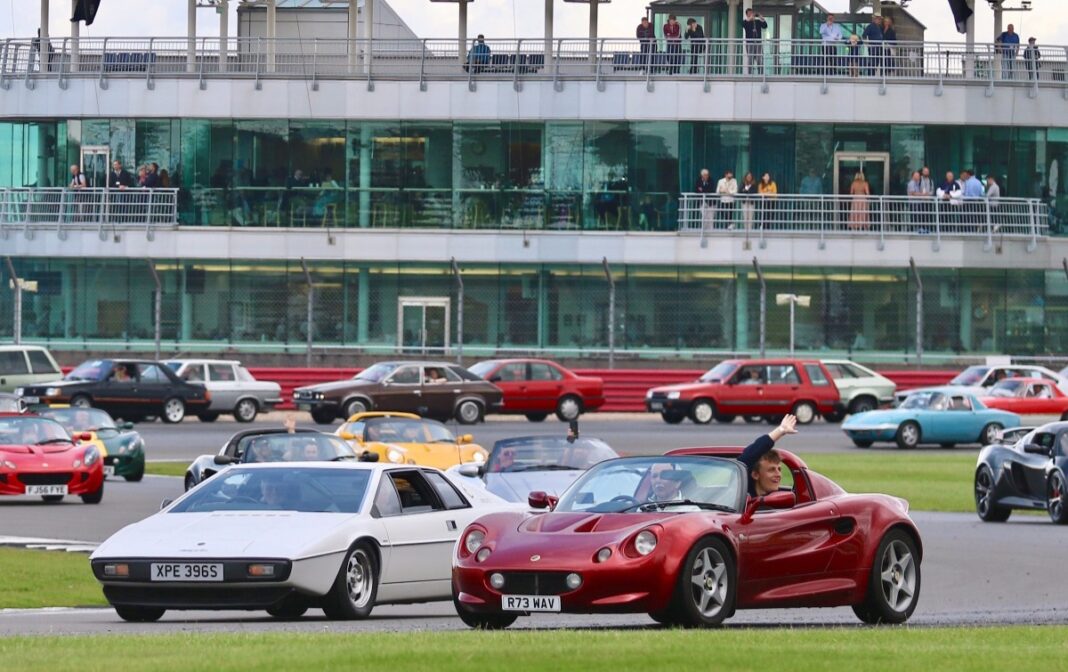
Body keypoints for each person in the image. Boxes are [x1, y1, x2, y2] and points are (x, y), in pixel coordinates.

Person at [738, 414, 797, 497]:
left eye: (779, 469)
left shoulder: (778, 503)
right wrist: (781, 430)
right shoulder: (742, 499)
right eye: (771, 470)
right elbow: (745, 460)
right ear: (755, 475)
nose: (778, 474)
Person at [741, 9, 767, 73]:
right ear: (747, 15)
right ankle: (750, 74)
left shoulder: (757, 22)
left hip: (758, 43)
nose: (752, 14)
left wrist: (762, 18)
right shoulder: (746, 22)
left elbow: (765, 26)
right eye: (749, 13)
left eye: (752, 13)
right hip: (750, 43)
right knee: (750, 59)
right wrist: (749, 18)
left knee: (759, 59)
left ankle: (761, 73)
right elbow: (743, 24)